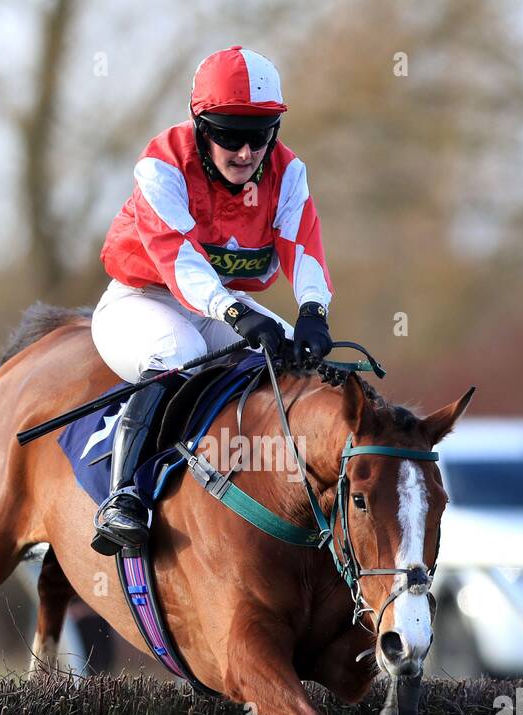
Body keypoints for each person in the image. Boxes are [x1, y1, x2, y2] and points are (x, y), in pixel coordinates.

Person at [90, 45, 335, 555]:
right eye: (228, 135)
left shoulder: (288, 173)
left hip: (218, 307)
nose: (245, 154)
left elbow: (303, 246)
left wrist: (312, 311)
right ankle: (125, 498)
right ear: (200, 126)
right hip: (143, 301)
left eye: (258, 137)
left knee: (295, 361)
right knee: (176, 356)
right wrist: (236, 311)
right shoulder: (162, 166)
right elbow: (180, 262)